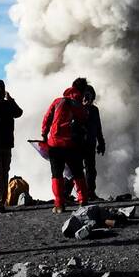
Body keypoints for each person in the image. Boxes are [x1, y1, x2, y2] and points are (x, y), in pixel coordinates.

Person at [42, 81, 91, 211]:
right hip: (70, 144)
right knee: (77, 172)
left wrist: (43, 134)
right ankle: (83, 200)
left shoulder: (58, 101)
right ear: (82, 91)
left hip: (54, 143)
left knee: (56, 174)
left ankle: (59, 204)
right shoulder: (78, 105)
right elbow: (83, 119)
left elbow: (47, 118)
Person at [0, 80, 23, 212]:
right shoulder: (8, 106)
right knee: (4, 172)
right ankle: (2, 201)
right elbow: (19, 112)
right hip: (7, 144)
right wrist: (11, 99)